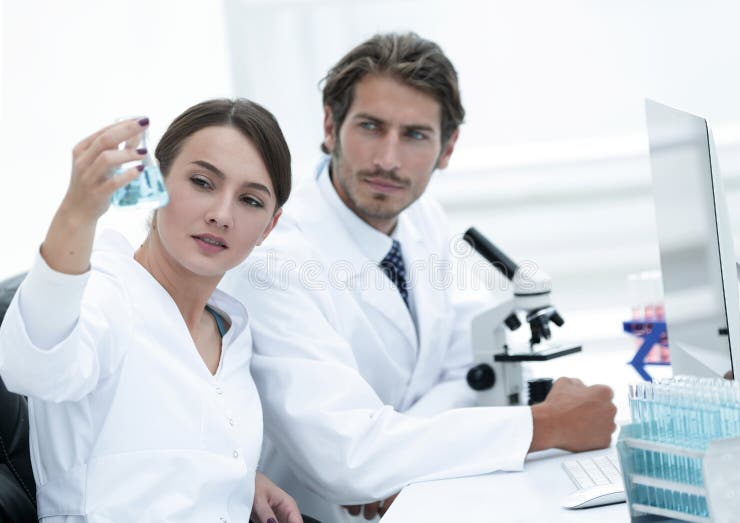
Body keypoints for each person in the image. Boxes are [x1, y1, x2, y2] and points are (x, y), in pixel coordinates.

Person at [221, 33, 617, 522]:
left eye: (415, 135)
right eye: (370, 126)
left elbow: (457, 363)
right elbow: (345, 458)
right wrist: (547, 424)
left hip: (409, 499)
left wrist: (397, 463)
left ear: (447, 148)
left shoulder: (422, 216)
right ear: (330, 125)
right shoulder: (273, 262)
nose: (388, 159)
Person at [0, 99, 303, 523]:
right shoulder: (108, 293)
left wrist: (236, 477)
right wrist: (77, 212)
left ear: (269, 226)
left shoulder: (230, 328)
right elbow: (33, 367)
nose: (221, 215)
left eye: (251, 201)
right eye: (202, 182)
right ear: (155, 180)